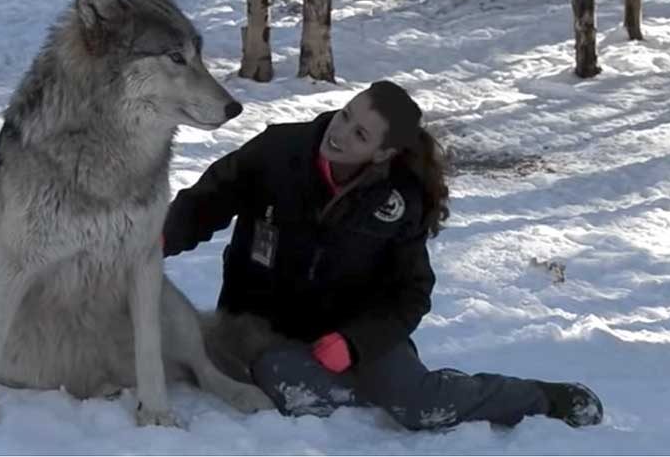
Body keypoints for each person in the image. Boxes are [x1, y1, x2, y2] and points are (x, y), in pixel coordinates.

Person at [162, 80, 603, 430]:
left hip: (357, 333)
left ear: (383, 152)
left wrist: (356, 344)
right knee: (295, 391)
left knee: (417, 405)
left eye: (359, 134)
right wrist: (155, 239)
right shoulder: (278, 151)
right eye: (346, 114)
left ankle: (543, 398)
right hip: (265, 329)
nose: (339, 133)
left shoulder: (400, 201)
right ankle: (365, 397)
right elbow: (205, 201)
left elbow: (411, 293)